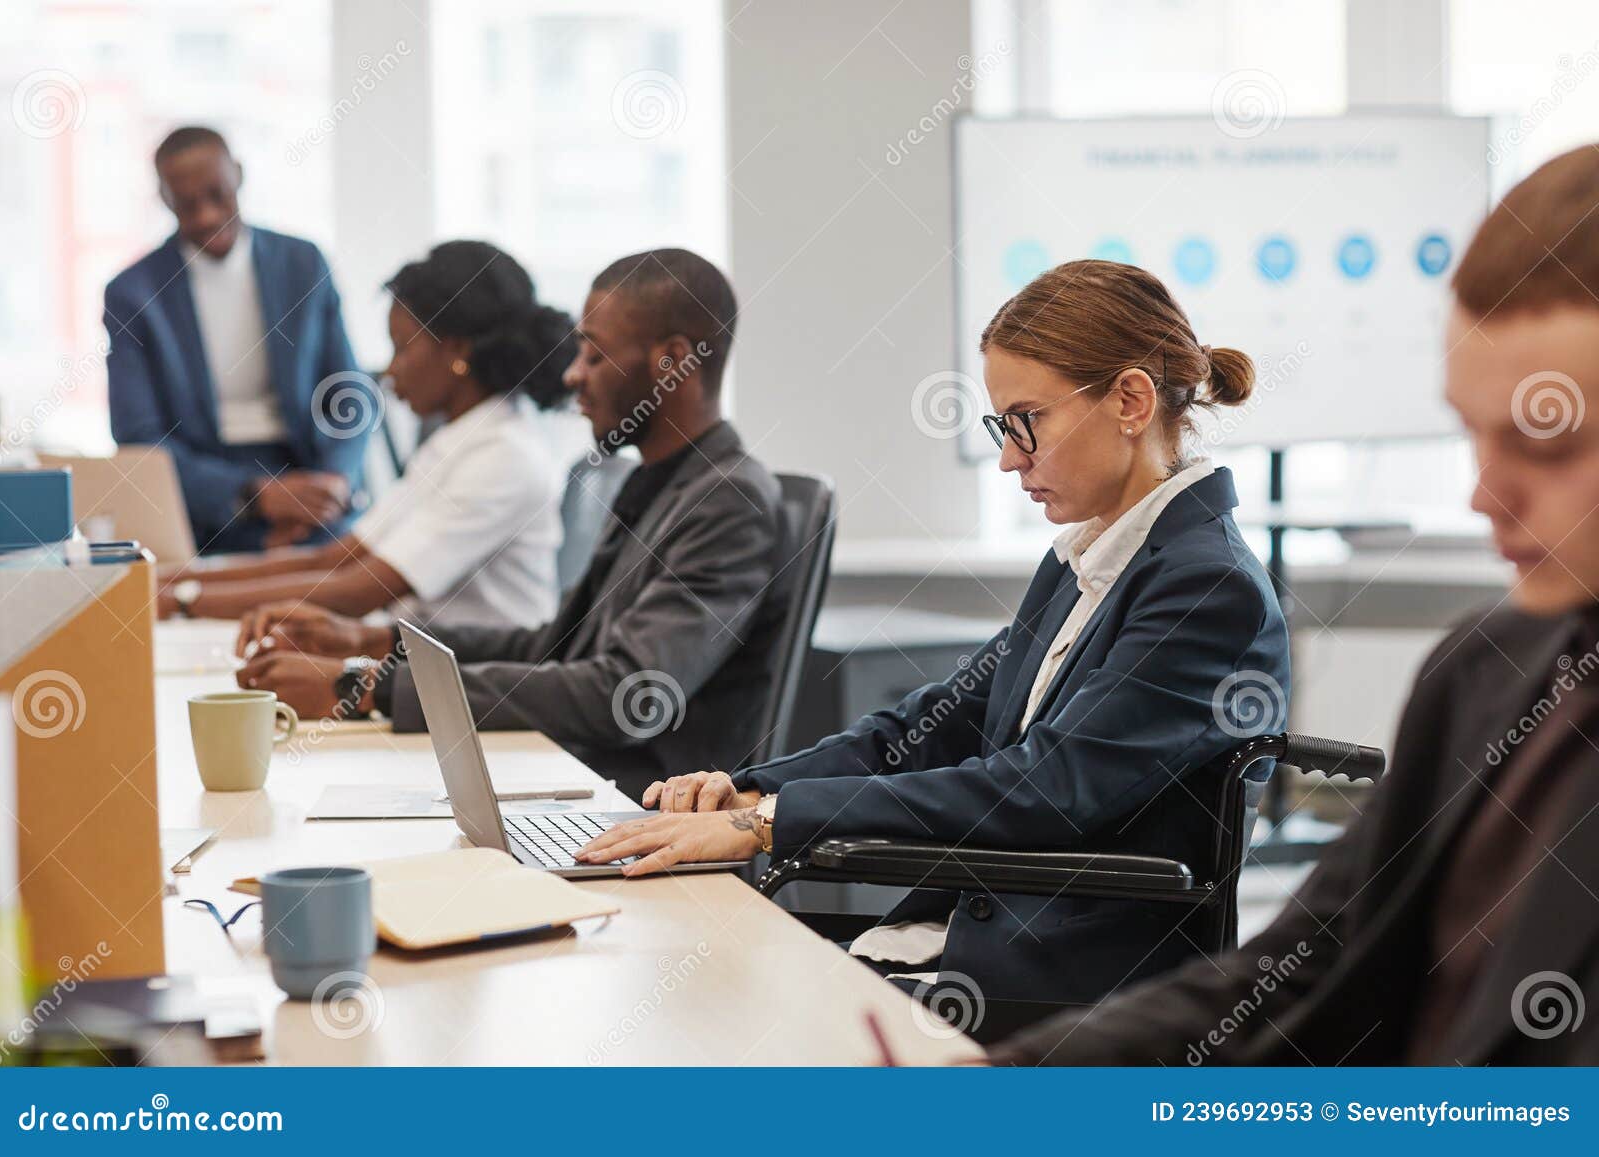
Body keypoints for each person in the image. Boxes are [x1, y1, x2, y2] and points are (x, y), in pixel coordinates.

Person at [983, 146, 1599, 1066]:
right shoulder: (1484, 669)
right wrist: (1005, 1082)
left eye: (1546, 443)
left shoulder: (1205, 582)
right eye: (1471, 432)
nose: (1485, 495)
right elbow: (1300, 972)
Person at [576, 259, 1290, 1025]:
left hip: (1061, 986)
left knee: (704, 1012)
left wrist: (768, 822)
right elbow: (928, 726)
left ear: (1130, 400)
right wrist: (747, 789)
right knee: (679, 976)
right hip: (965, 945)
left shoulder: (1206, 587)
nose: (1010, 456)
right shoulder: (1087, 559)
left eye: (1027, 421)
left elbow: (1042, 790)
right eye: (1002, 427)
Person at [233, 249, 792, 799]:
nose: (573, 374)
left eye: (595, 356)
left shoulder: (728, 502)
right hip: (579, 780)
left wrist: (365, 686)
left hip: (639, 808)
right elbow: (554, 645)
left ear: (672, 360)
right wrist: (375, 642)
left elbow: (623, 693)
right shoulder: (658, 483)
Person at [157, 241, 575, 629]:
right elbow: (336, 559)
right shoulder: (458, 441)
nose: (390, 371)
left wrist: (181, 601)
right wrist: (176, 580)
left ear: (457, 351)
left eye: (402, 348)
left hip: (481, 677)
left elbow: (358, 592)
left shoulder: (505, 457)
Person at [105, 126, 370, 554]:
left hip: (311, 486)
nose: (206, 216)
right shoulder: (133, 293)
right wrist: (251, 496)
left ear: (239, 176)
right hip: (204, 505)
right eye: (186, 204)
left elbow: (348, 391)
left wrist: (334, 482)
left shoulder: (303, 263)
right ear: (164, 199)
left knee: (343, 573)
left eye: (217, 195)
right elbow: (140, 440)